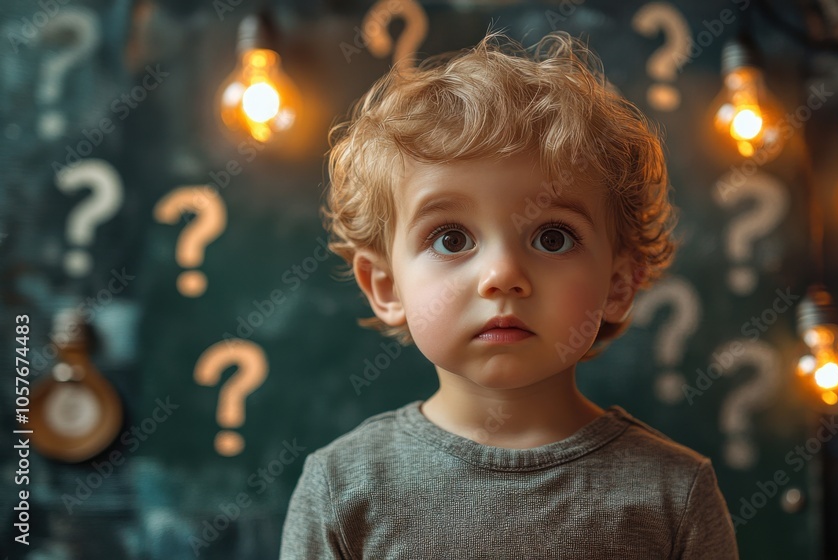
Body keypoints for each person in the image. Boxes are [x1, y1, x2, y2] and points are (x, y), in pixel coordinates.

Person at [280, 28, 739, 559]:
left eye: (552, 237)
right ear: (385, 286)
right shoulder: (341, 487)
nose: (502, 274)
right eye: (451, 239)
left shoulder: (673, 495)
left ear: (617, 285)